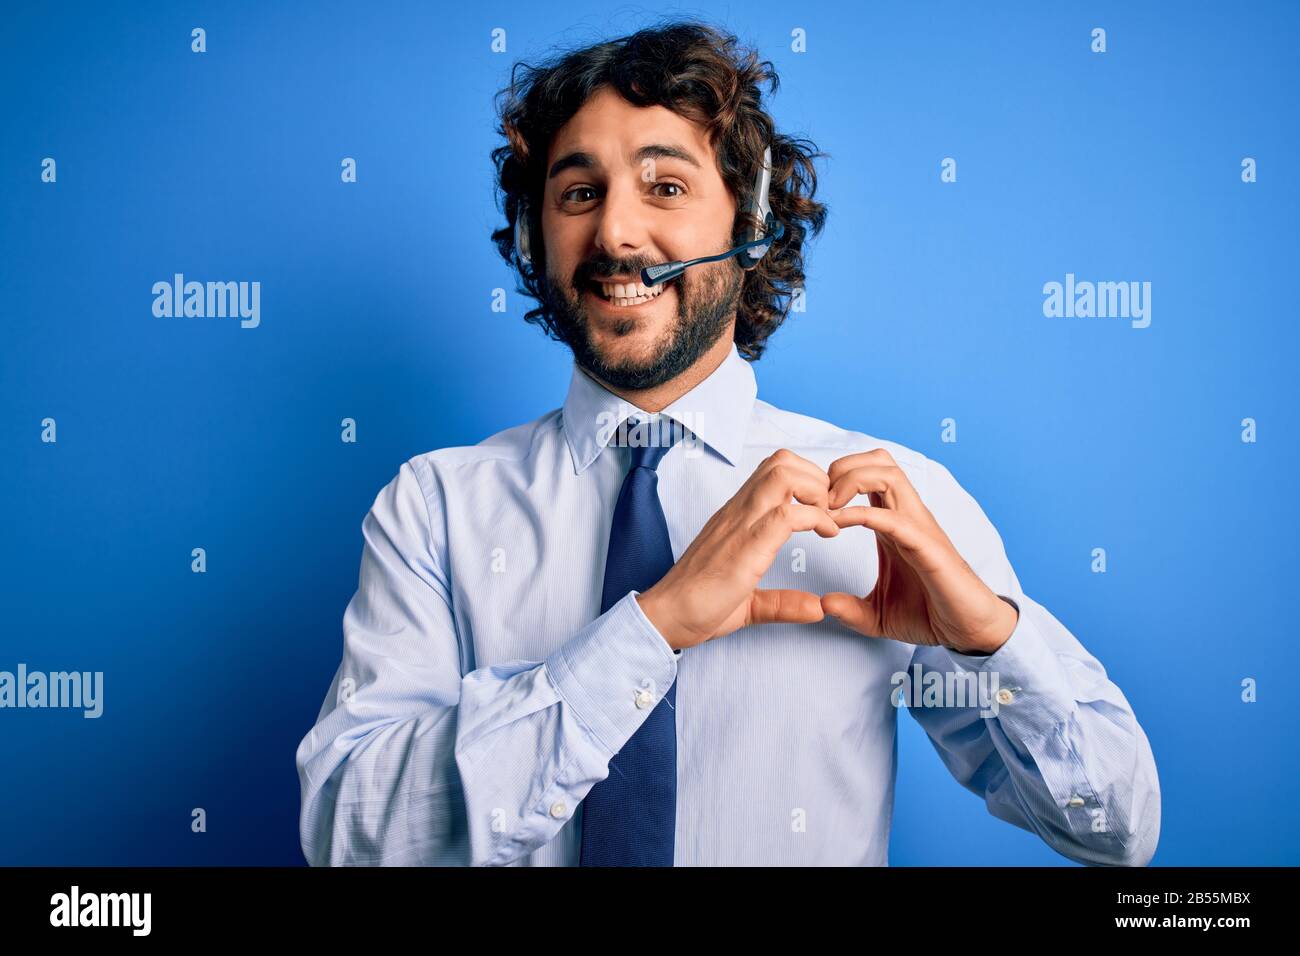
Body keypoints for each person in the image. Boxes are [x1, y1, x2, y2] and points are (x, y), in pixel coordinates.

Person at [295, 20, 1160, 866]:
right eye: (579, 193)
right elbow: (353, 837)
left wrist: (989, 642)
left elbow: (1117, 829)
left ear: (751, 222)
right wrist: (652, 628)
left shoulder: (882, 503)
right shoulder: (435, 506)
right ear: (534, 236)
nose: (616, 236)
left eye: (665, 188)